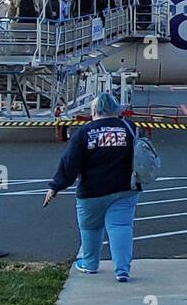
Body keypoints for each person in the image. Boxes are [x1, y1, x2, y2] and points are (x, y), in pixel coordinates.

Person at [44, 92, 142, 281]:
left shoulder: (85, 132)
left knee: (90, 227)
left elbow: (69, 163)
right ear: (116, 110)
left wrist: (55, 186)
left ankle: (90, 264)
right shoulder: (130, 128)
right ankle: (122, 270)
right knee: (121, 226)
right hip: (125, 188)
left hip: (92, 190)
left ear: (94, 111)